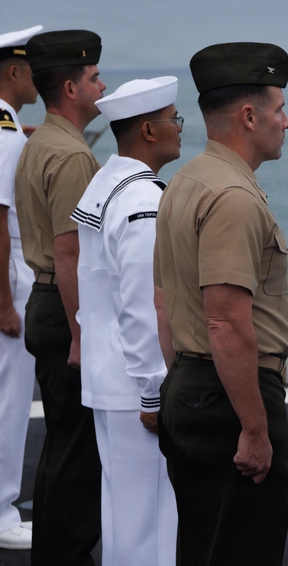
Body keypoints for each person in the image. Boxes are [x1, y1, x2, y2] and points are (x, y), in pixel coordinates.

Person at [154, 42, 288, 566]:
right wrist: (255, 429)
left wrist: (181, 384)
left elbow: (163, 298)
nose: (287, 121)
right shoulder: (232, 197)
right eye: (279, 109)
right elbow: (227, 322)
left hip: (195, 386)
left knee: (203, 548)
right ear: (249, 115)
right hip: (232, 394)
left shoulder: (185, 182)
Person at [71, 76, 183, 566]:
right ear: (149, 131)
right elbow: (141, 305)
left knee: (124, 518)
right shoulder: (142, 200)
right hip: (134, 385)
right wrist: (154, 392)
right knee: (150, 525)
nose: (181, 128)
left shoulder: (107, 181)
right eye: (173, 120)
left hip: (109, 376)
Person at [15, 29, 106, 565]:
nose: (102, 85)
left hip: (46, 302)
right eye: (94, 77)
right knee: (78, 455)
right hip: (64, 306)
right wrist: (82, 333)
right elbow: (71, 256)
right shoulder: (71, 157)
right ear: (70, 88)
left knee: (62, 447)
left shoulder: (40, 142)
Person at [0, 23, 43, 552]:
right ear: (13, 71)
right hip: (10, 280)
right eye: (34, 68)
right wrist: (5, 304)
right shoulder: (4, 134)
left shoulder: (10, 129)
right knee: (9, 401)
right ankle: (2, 511)